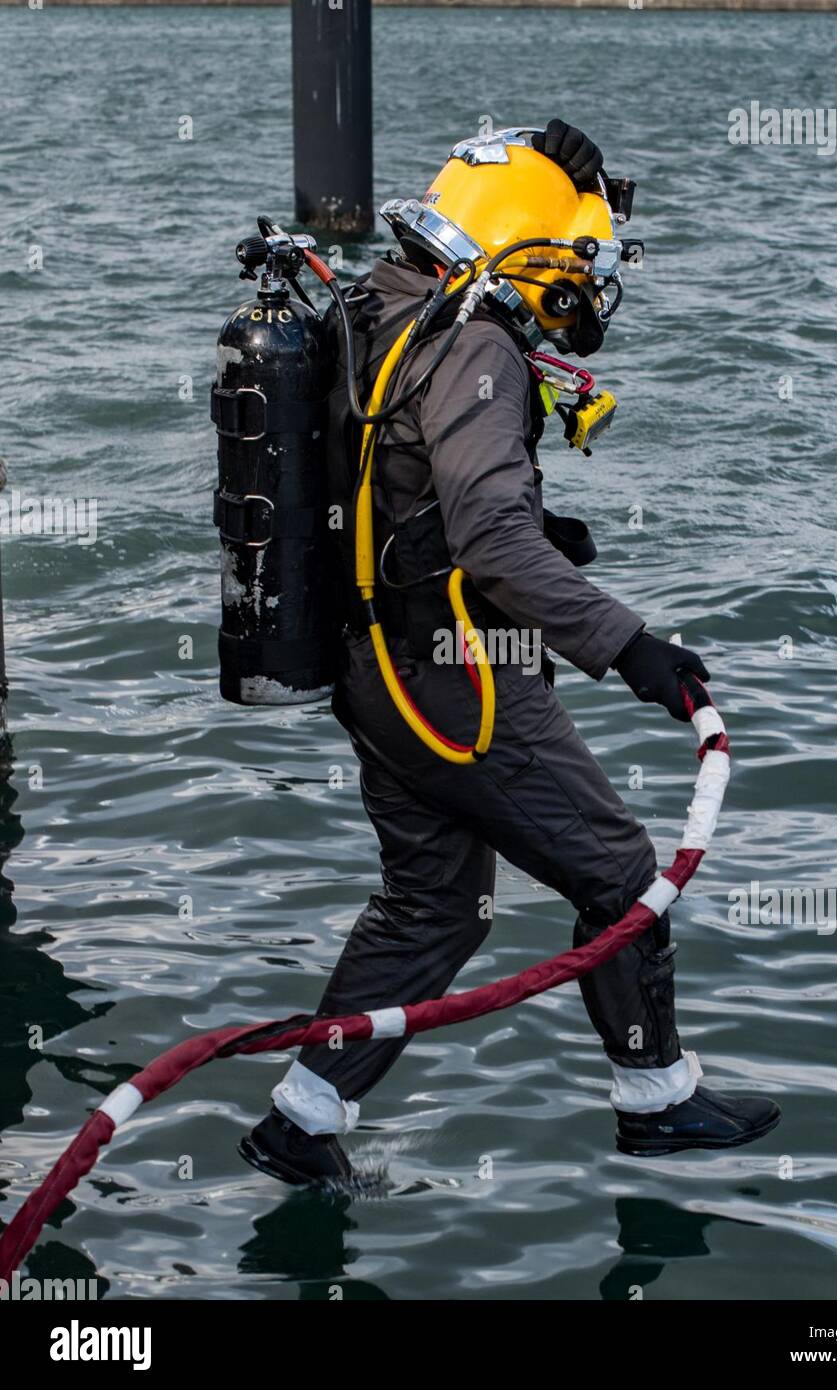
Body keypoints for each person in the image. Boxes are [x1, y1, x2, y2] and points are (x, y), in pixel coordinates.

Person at [240, 121, 780, 1186]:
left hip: (373, 669)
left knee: (435, 905)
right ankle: (658, 1101)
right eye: (577, 258)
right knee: (622, 877)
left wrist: (542, 537)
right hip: (455, 684)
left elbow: (398, 484)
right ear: (526, 242)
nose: (585, 286)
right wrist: (631, 647)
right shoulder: (476, 343)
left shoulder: (380, 304)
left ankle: (301, 1124)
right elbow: (487, 539)